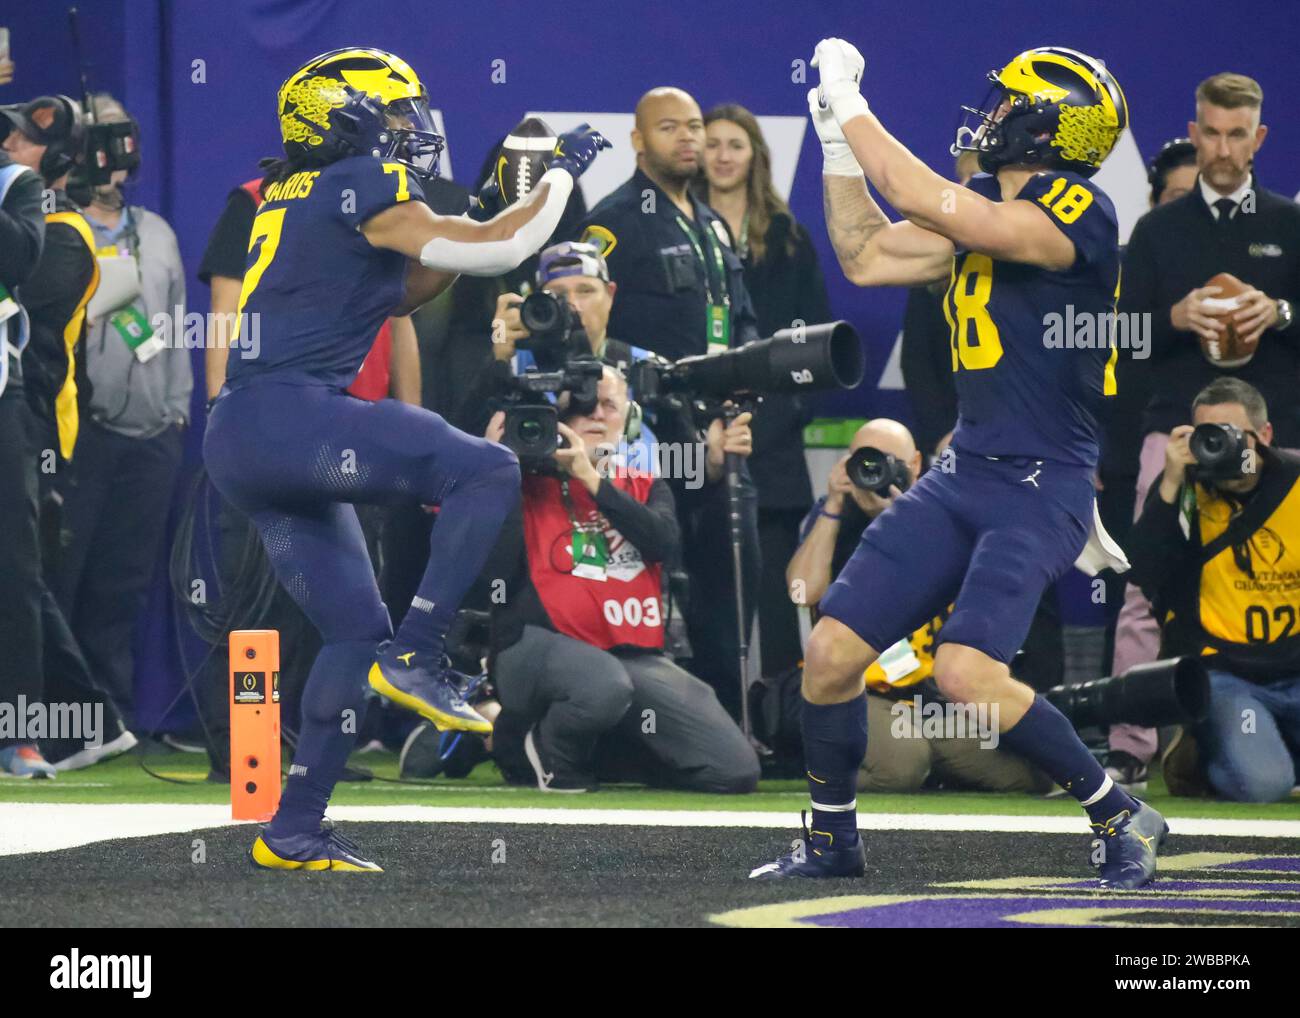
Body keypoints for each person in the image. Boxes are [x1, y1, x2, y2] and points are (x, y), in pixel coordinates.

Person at [751, 40, 1159, 890]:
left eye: (1010, 102)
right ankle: (833, 840)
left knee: (965, 671)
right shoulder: (982, 202)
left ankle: (1118, 809)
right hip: (965, 468)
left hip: (1043, 481)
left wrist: (850, 104)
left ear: (1050, 126)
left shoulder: (1078, 209)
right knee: (828, 657)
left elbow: (922, 198)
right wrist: (832, 146)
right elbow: (867, 252)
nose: (991, 113)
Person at [201, 47, 609, 872]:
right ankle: (419, 653)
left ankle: (292, 828)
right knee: (487, 470)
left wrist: (501, 204)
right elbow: (498, 248)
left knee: (351, 630)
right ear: (340, 117)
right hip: (292, 415)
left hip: (245, 434)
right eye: (394, 114)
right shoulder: (358, 179)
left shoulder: (302, 193)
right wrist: (557, 178)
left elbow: (413, 283)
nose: (410, 130)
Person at [1107, 73, 1300, 784]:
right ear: (1194, 133)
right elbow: (1118, 337)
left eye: (1238, 134)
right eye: (1212, 133)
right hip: (1177, 434)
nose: (1223, 149)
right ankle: (1130, 751)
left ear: (1260, 138)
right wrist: (1174, 320)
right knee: (1143, 592)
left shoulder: (1291, 224)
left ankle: (1252, 725)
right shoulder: (1158, 230)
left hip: (1279, 445)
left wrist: (1278, 313)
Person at [473, 365, 759, 793]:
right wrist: (494, 464)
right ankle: (538, 748)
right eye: (581, 404)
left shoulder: (645, 483)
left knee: (733, 770)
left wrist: (592, 479)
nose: (596, 413)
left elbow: (662, 542)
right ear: (557, 416)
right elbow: (484, 563)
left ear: (629, 418)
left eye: (610, 404)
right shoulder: (523, 480)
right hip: (536, 646)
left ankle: (531, 742)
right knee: (602, 686)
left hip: (630, 654)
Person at [787, 420, 1048, 793]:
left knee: (1025, 774)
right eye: (863, 459)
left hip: (930, 693)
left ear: (913, 465)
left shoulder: (939, 513)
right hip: (860, 687)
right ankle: (832, 770)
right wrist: (831, 505)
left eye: (886, 460)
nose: (874, 471)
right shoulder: (835, 515)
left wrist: (897, 521)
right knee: (901, 768)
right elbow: (801, 592)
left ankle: (927, 761)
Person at [0, 94, 132, 776]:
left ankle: (56, 727)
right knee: (26, 581)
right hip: (22, 415)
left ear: (50, 159)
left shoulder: (67, 234)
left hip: (39, 419)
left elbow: (18, 290)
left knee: (23, 576)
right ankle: (92, 725)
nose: (5, 148)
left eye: (17, 142)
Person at [52, 93, 192, 729]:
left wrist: (178, 409)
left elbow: (176, 326)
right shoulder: (56, 230)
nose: (114, 165)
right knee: (63, 574)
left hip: (153, 436)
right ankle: (55, 718)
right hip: (84, 434)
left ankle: (110, 717)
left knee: (123, 583)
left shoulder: (156, 233)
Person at [699, 103, 830, 678]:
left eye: (736, 144)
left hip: (772, 439)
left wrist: (781, 414)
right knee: (706, 587)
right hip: (698, 432)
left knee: (779, 592)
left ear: (755, 155)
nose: (723, 155)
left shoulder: (787, 239)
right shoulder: (682, 229)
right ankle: (715, 713)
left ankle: (780, 716)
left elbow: (816, 342)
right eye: (713, 143)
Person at [1129, 379, 1300, 803]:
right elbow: (1144, 572)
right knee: (1262, 786)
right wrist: (1168, 483)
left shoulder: (1295, 482)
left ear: (1264, 436)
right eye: (1208, 434)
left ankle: (1266, 746)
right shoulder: (1184, 491)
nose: (1220, 446)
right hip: (1224, 675)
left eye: (1232, 434)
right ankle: (1197, 752)